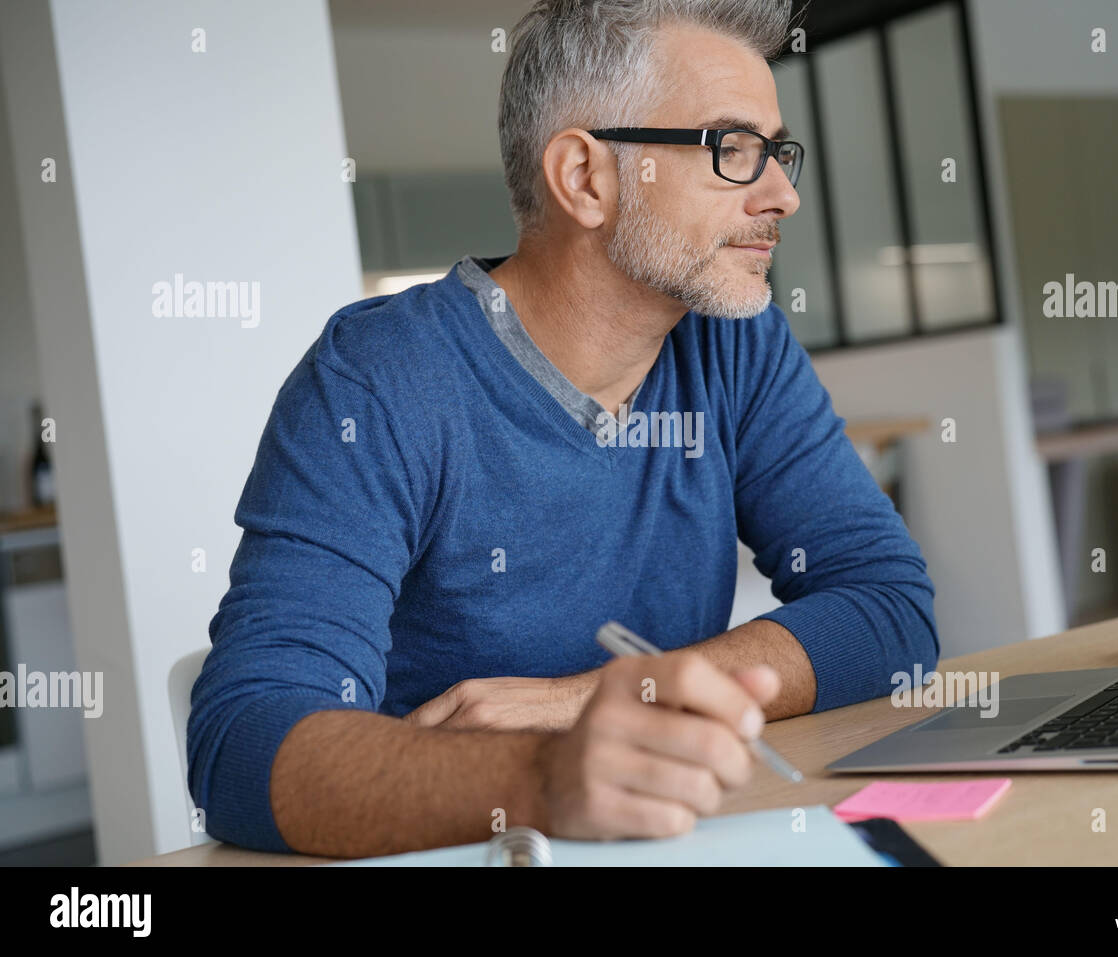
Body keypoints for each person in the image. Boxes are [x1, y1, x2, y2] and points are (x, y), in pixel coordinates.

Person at [188, 0, 938, 858]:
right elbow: (241, 746)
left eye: (776, 152)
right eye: (732, 150)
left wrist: (597, 701)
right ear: (585, 177)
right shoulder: (377, 381)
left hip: (670, 837)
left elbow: (888, 606)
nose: (784, 195)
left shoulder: (736, 342)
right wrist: (543, 779)